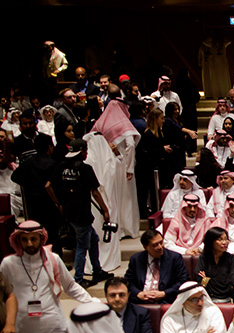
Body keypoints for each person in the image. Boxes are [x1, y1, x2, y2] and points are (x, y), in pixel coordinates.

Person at [45, 138, 113, 287]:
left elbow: (48, 185)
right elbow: (95, 192)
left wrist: (58, 203)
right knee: (82, 245)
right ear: (82, 151)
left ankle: (97, 270)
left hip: (68, 211)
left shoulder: (60, 166)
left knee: (93, 239)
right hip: (82, 213)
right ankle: (79, 278)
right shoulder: (85, 168)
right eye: (86, 150)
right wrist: (105, 210)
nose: (87, 153)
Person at [90, 96, 141, 239]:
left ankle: (117, 229)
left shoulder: (101, 123)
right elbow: (130, 145)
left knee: (113, 197)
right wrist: (130, 168)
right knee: (127, 198)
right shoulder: (124, 124)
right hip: (123, 164)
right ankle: (128, 228)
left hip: (107, 166)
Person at [125, 230, 189, 304]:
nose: (160, 247)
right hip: (140, 301)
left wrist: (164, 293)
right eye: (155, 245)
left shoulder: (174, 258)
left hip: (166, 300)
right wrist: (138, 294)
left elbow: (183, 281)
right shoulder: (136, 259)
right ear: (145, 247)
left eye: (161, 242)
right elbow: (128, 282)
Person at [195, 227, 234, 303]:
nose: (224, 242)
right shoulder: (203, 258)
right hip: (208, 299)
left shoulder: (231, 259)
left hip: (229, 299)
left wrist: (208, 280)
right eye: (220, 239)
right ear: (211, 241)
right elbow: (200, 281)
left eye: (226, 239)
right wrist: (224, 280)